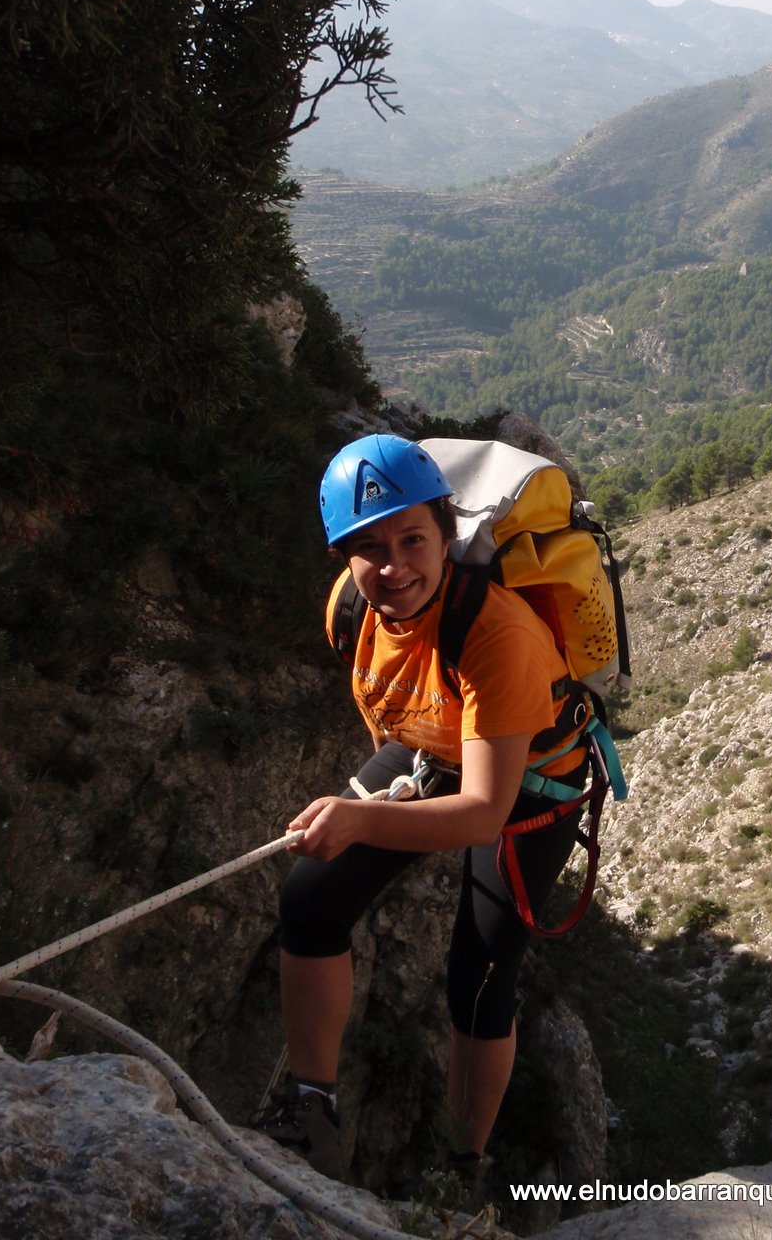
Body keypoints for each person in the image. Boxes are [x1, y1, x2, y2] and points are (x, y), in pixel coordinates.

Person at [254, 433, 587, 1188]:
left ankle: (463, 1166)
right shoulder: (352, 610)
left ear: (447, 537)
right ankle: (312, 1110)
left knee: (479, 971)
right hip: (431, 746)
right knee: (309, 898)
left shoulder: (496, 635)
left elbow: (480, 813)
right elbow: (389, 709)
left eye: (413, 540)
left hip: (533, 779)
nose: (394, 566)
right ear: (344, 556)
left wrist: (368, 818)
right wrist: (390, 796)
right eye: (369, 548)